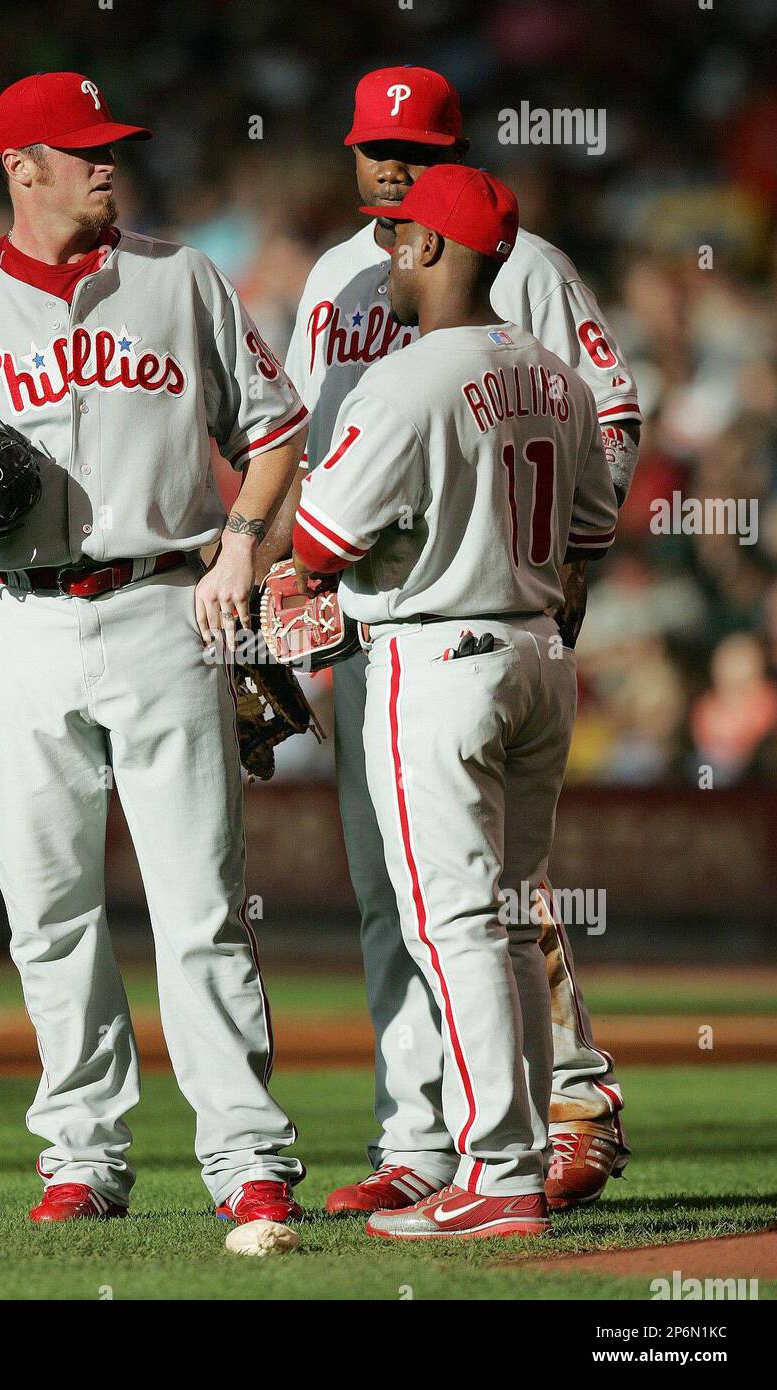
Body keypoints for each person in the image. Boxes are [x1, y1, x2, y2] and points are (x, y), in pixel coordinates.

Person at [0, 72, 309, 1226]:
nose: (111, 163)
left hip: (166, 602)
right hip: (13, 621)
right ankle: (82, 1158)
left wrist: (240, 551)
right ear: (23, 168)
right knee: (48, 907)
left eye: (114, 147)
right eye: (85, 149)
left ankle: (247, 1158)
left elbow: (273, 433)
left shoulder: (180, 279)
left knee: (200, 902)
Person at [259, 67, 633, 1213]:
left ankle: (563, 1110)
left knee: (480, 903)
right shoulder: (334, 277)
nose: (391, 164)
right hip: (389, 621)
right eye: (374, 144)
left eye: (414, 149)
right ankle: (418, 1134)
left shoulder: (520, 264)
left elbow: (610, 415)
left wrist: (555, 573)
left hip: (457, 618)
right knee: (399, 894)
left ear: (454, 158)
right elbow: (307, 436)